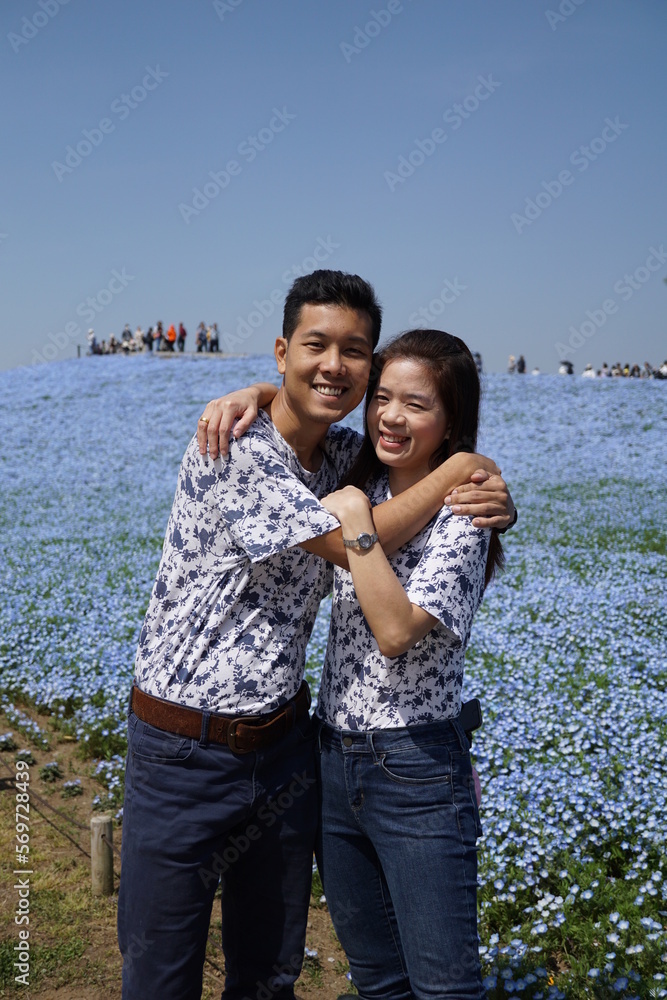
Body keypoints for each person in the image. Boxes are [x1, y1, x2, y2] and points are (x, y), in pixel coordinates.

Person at [119, 271, 514, 1000]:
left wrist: (486, 488)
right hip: (184, 752)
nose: (334, 364)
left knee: (270, 974)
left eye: (353, 351)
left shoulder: (344, 459)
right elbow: (347, 542)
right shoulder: (232, 446)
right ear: (279, 350)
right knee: (160, 974)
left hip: (286, 751)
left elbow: (388, 498)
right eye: (314, 345)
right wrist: (462, 466)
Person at [313, 329, 501, 998]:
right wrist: (250, 392)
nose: (390, 417)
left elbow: (394, 631)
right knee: (378, 980)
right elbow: (291, 419)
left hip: (416, 771)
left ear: (450, 421)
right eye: (381, 398)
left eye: (415, 405)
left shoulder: (466, 515)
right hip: (332, 757)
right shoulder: (349, 476)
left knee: (443, 987)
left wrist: (357, 522)